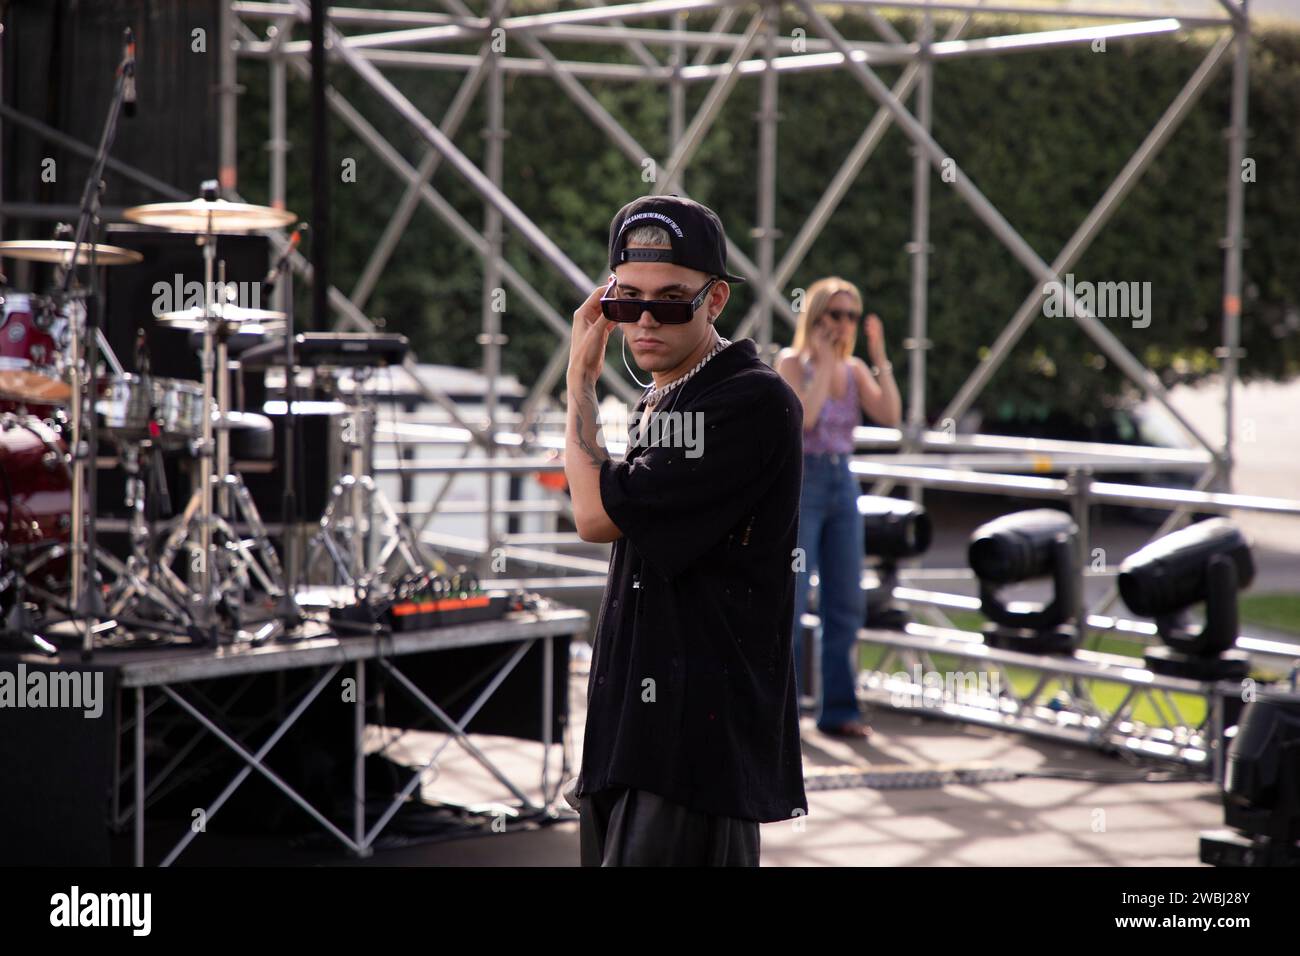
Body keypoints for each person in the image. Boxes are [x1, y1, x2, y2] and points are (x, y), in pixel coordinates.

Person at [564, 195, 808, 866]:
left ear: (716, 300)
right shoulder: (670, 395)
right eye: (624, 300)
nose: (644, 320)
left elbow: (593, 515)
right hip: (634, 736)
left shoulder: (747, 400)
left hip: (692, 749)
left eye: (671, 302)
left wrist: (580, 382)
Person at [776, 277, 901, 738]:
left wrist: (879, 355)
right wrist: (824, 363)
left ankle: (839, 709)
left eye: (851, 314)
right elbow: (802, 420)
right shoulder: (791, 363)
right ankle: (781, 715)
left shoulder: (854, 370)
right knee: (789, 600)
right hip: (803, 481)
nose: (843, 323)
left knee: (845, 601)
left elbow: (890, 414)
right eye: (836, 314)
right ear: (816, 316)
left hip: (843, 481)